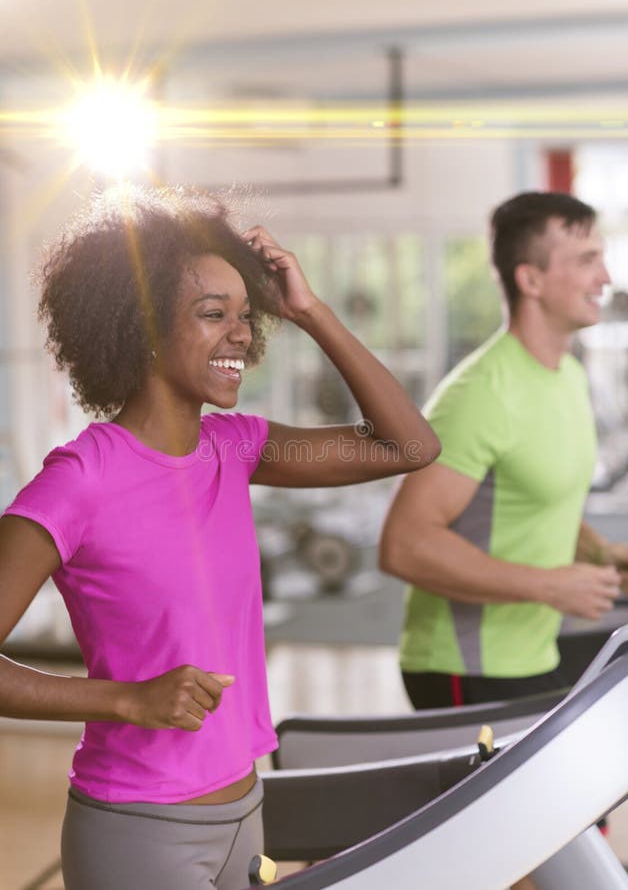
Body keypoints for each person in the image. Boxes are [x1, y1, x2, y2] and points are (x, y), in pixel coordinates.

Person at [0, 185, 440, 890]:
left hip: (245, 809)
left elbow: (409, 445)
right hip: (138, 829)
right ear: (140, 326)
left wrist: (309, 312)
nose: (241, 334)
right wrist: (125, 699)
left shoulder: (236, 448)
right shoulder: (81, 479)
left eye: (246, 316)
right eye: (214, 314)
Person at [379, 190, 628, 713]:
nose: (605, 278)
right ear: (530, 279)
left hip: (529, 652)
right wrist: (549, 586)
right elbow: (405, 543)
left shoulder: (568, 376)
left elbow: (529, 494)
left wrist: (595, 552)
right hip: (462, 665)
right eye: (587, 261)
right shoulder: (480, 394)